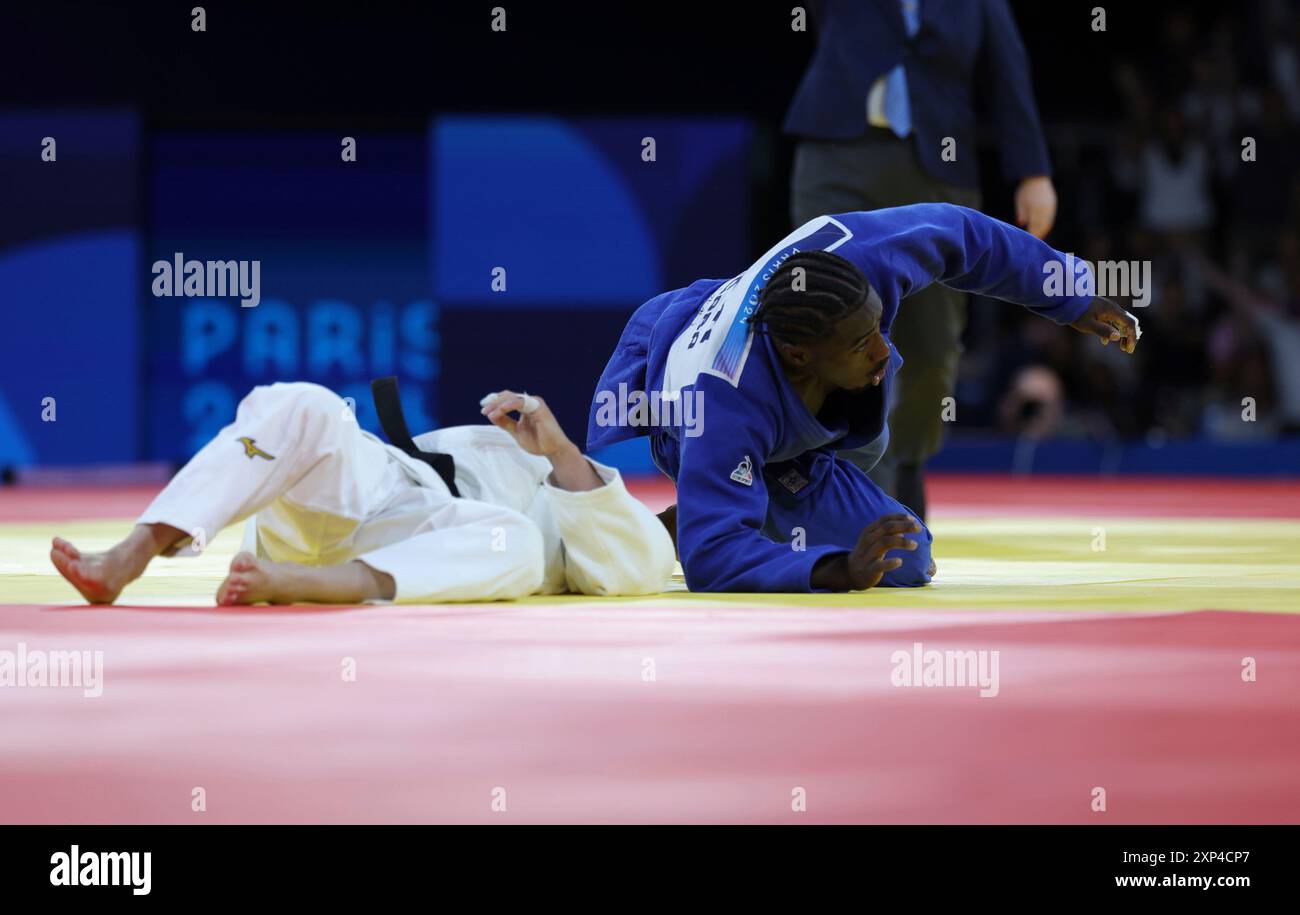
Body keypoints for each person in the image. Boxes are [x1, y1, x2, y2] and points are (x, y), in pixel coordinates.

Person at [587, 204, 1139, 593]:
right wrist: (835, 571)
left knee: (893, 522)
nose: (882, 351)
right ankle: (692, 516)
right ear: (801, 355)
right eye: (860, 342)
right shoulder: (725, 407)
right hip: (668, 385)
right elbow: (711, 562)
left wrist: (1070, 295)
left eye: (876, 326)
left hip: (775, 372)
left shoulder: (866, 258)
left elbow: (963, 232)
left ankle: (720, 505)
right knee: (906, 558)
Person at [784, 0, 1058, 520]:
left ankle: (906, 458)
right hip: (837, 157)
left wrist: (1032, 172)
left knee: (932, 348)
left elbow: (1007, 73)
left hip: (939, 165)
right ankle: (825, 481)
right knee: (819, 322)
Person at [49, 384, 675, 605]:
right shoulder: (549, 466)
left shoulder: (634, 534)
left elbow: (631, 566)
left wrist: (562, 452)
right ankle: (132, 552)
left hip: (412, 552)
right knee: (305, 405)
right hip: (383, 488)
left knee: (512, 543)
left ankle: (312, 585)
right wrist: (547, 445)